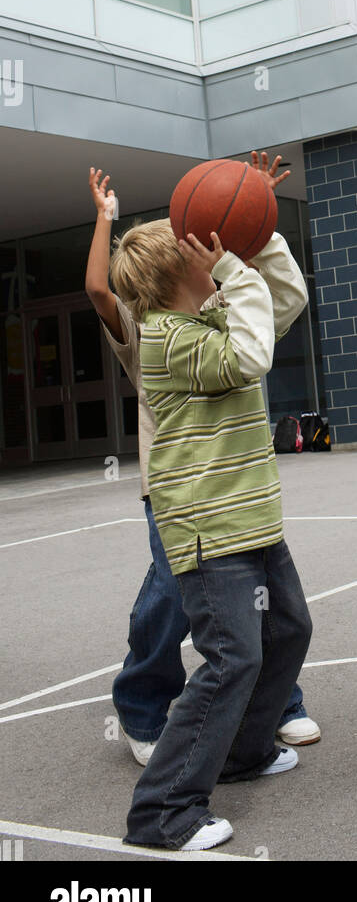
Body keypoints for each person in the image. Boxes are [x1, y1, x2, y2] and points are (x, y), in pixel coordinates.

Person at [85, 157, 321, 768]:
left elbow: (281, 303)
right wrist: (104, 222)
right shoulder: (158, 334)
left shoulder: (212, 314)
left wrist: (251, 226)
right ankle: (149, 722)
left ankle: (273, 711)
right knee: (187, 608)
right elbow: (99, 291)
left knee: (267, 619)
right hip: (185, 494)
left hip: (232, 497)